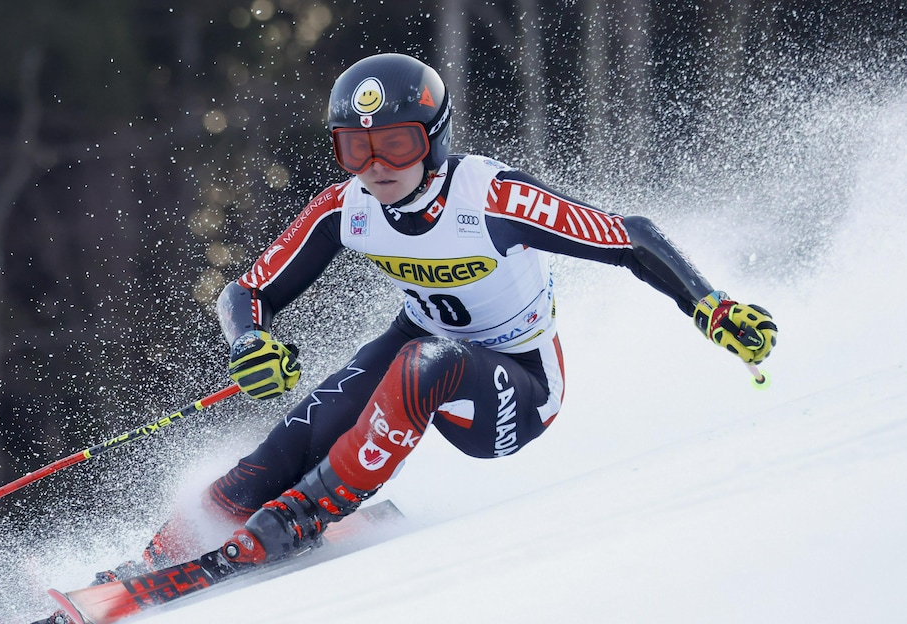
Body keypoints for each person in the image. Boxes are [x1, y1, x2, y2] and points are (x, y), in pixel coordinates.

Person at [110, 52, 778, 575]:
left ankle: (306, 513)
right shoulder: (349, 206)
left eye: (395, 144)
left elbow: (628, 235)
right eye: (354, 147)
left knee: (422, 363)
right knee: (303, 428)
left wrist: (711, 306)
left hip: (518, 387)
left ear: (433, 139)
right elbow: (246, 291)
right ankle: (170, 548)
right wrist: (248, 340)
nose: (374, 167)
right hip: (419, 342)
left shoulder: (491, 197)